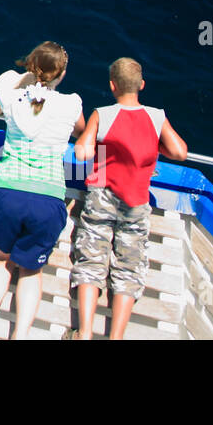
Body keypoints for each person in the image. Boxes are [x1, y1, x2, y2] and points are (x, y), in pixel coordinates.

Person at [0, 42, 85, 339]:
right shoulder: (71, 103)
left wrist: (13, 92)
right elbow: (81, 130)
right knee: (31, 271)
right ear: (62, 74)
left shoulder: (12, 97)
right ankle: (19, 336)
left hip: (10, 192)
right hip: (48, 197)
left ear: (30, 66)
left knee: (1, 259)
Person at [68, 57, 188, 339]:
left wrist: (93, 141)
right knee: (128, 268)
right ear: (142, 85)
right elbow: (180, 152)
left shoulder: (103, 114)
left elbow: (82, 153)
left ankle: (84, 333)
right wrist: (156, 148)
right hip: (135, 202)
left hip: (101, 196)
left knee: (91, 260)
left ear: (112, 86)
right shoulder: (156, 116)